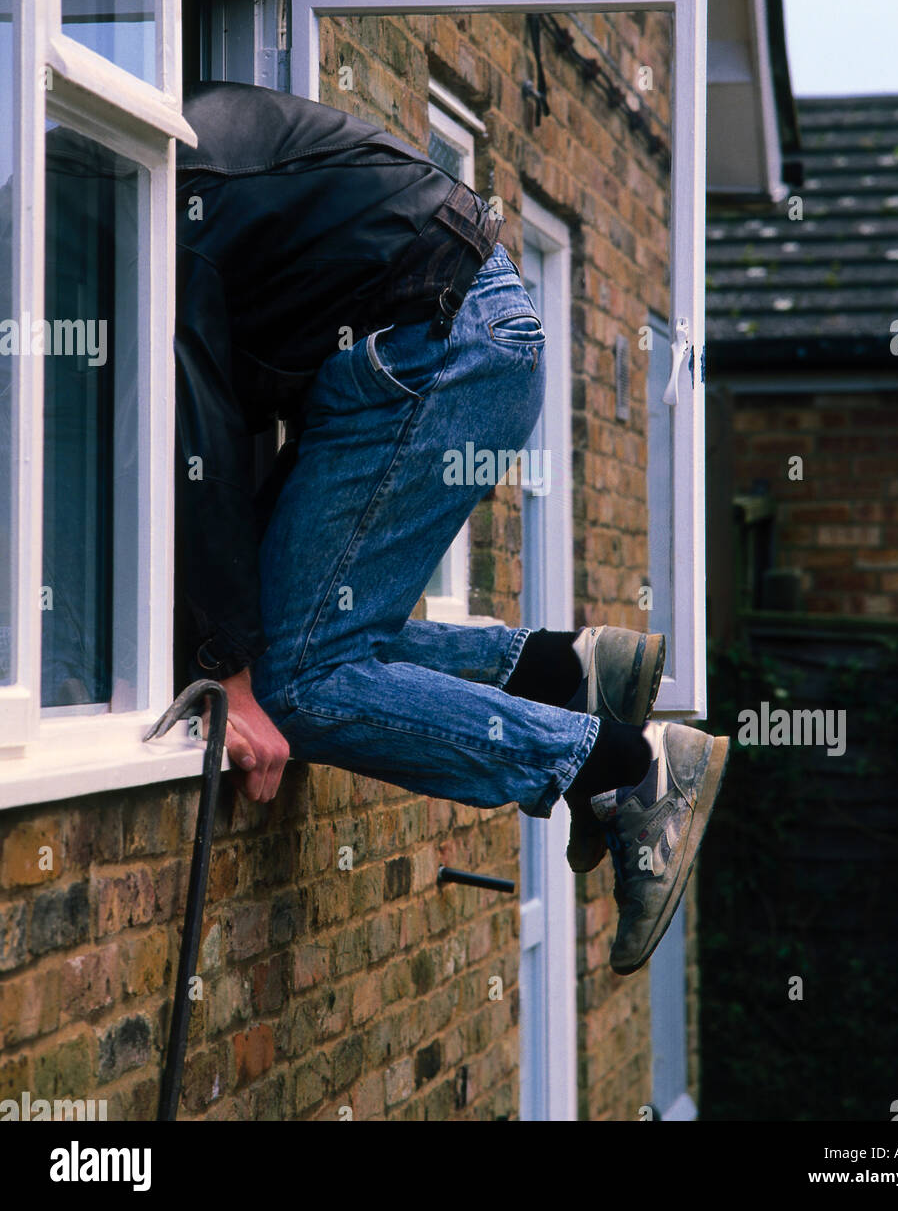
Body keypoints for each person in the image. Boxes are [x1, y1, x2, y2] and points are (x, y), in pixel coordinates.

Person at [175, 80, 728, 976]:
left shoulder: (145, 206)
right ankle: (571, 669)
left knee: (297, 680)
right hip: (447, 334)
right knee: (310, 634)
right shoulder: (163, 152)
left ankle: (628, 772)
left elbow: (189, 430)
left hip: (434, 347)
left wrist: (227, 680)